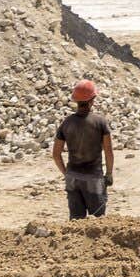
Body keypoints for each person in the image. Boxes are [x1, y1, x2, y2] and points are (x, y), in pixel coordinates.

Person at [51, 79, 114, 219]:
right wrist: (109, 174)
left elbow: (56, 154)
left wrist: (66, 173)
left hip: (73, 178)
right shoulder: (100, 122)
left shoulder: (66, 123)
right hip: (93, 179)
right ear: (92, 100)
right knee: (97, 223)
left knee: (76, 224)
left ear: (76, 101)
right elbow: (109, 152)